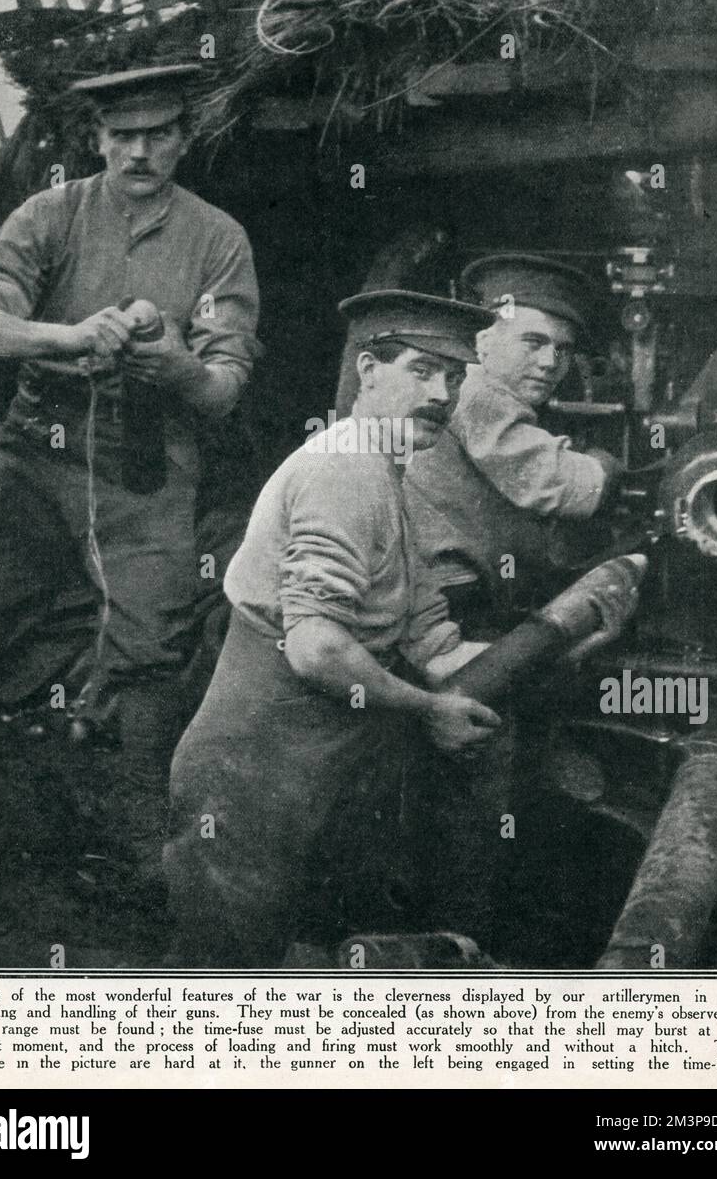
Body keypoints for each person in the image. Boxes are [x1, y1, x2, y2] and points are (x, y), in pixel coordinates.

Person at [0, 64, 260, 889]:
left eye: (158, 135)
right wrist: (67, 338)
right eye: (122, 135)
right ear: (97, 140)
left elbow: (225, 390)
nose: (139, 151)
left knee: (152, 650)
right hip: (31, 457)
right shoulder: (50, 214)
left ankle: (137, 839)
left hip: (147, 468)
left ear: (182, 140)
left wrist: (172, 361)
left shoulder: (217, 239)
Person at [164, 290, 507, 968]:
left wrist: (557, 649)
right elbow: (316, 648)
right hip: (250, 782)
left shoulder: (386, 470)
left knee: (305, 968)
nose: (440, 393)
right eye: (420, 370)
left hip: (315, 775)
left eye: (455, 377)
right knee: (221, 986)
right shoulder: (344, 471)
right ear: (368, 370)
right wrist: (429, 708)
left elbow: (428, 636)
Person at [404, 253, 623, 629]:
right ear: (485, 342)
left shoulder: (484, 390)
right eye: (533, 342)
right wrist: (606, 463)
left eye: (562, 348)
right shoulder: (476, 391)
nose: (550, 362)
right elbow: (567, 487)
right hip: (451, 603)